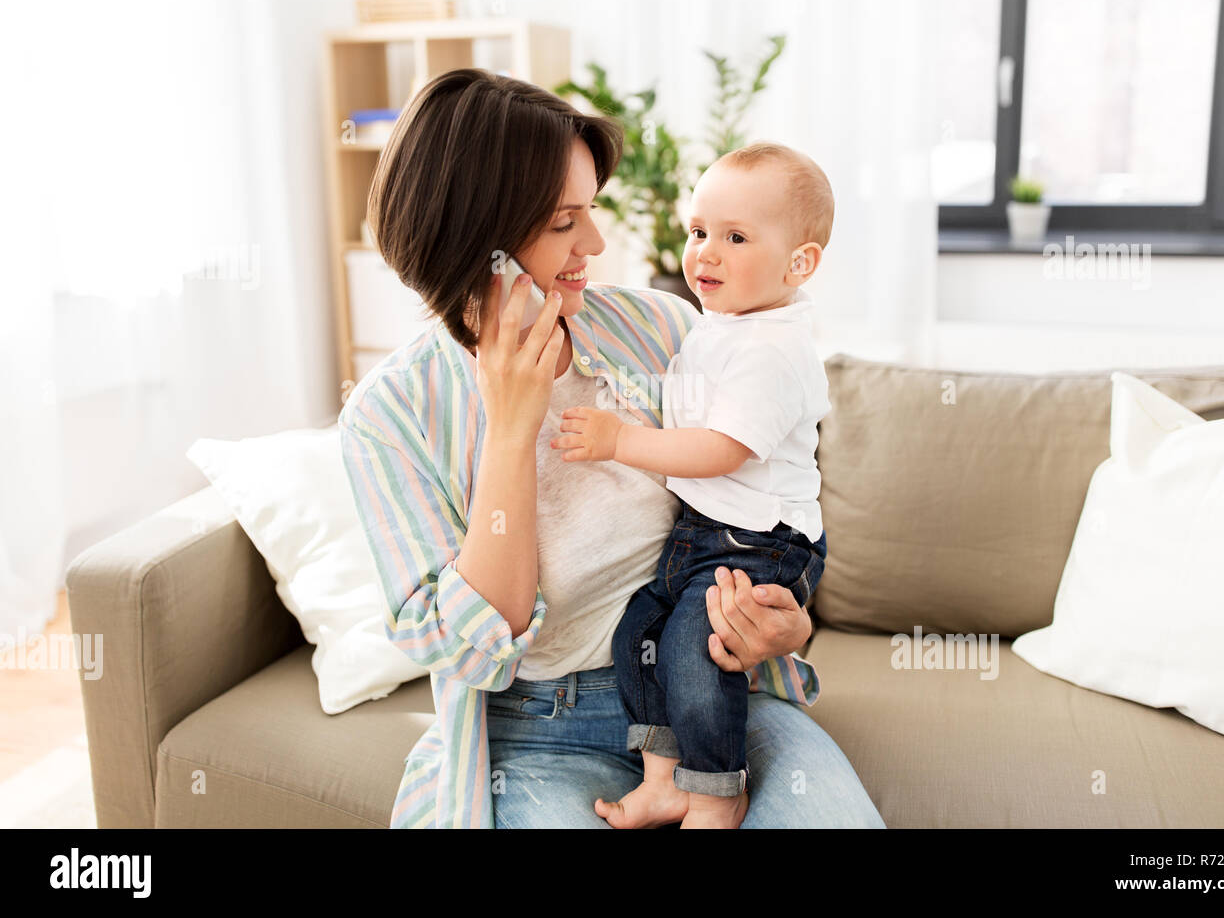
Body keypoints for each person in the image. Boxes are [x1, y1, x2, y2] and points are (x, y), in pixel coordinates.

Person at [338, 67, 886, 828]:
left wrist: (790, 623)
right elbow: (472, 652)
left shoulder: (660, 331)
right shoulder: (390, 416)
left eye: (590, 211)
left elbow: (766, 503)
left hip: (718, 706)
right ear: (480, 235)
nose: (596, 243)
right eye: (566, 221)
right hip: (537, 737)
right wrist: (511, 426)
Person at [555, 142, 834, 828]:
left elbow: (722, 448)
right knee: (639, 634)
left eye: (735, 238)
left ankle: (716, 791)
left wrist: (620, 440)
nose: (705, 253)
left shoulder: (773, 348)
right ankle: (663, 776)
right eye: (699, 231)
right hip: (703, 535)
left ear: (799, 263)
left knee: (692, 649)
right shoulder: (720, 324)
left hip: (759, 540)